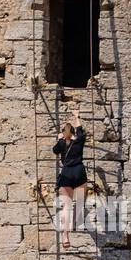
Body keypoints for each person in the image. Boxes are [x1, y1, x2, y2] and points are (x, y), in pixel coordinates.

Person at [52, 107, 87, 249]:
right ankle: (76, 220)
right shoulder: (79, 141)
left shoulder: (61, 143)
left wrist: (59, 139)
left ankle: (65, 235)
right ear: (72, 133)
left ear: (63, 133)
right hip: (79, 172)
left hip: (66, 173)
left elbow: (54, 150)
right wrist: (76, 116)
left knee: (66, 206)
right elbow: (80, 131)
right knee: (79, 201)